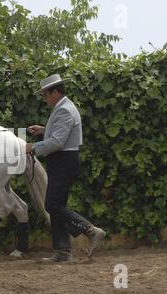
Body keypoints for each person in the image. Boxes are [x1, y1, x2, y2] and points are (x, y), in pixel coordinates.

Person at [26, 74, 106, 262]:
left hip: (63, 160)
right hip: (63, 161)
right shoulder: (63, 108)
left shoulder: (64, 110)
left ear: (54, 92)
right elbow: (61, 132)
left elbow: (58, 142)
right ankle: (63, 252)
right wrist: (44, 130)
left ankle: (91, 231)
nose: (44, 99)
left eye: (45, 95)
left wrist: (32, 148)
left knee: (52, 205)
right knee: (56, 206)